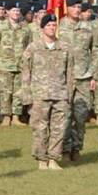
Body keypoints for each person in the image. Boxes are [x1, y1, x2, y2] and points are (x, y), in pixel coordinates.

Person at [20, 13, 74, 169]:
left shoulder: (64, 47)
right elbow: (26, 73)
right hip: (39, 94)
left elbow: (70, 73)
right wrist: (27, 97)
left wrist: (69, 95)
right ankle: (41, 159)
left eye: (54, 25)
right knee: (40, 128)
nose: (52, 28)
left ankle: (54, 158)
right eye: (49, 25)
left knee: (59, 128)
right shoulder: (33, 47)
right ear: (42, 28)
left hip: (60, 94)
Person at [59, 4, 98, 161]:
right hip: (64, 77)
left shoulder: (88, 27)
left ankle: (77, 148)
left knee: (80, 116)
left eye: (79, 7)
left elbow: (96, 51)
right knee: (64, 115)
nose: (77, 10)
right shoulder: (58, 26)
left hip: (83, 77)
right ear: (66, 8)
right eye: (73, 7)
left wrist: (93, 75)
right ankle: (65, 149)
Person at [0, 5, 30, 126]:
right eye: (14, 10)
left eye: (18, 10)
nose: (16, 13)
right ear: (8, 12)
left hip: (20, 65)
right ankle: (6, 116)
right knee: (5, 92)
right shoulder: (0, 27)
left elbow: (28, 47)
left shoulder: (25, 28)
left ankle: (16, 117)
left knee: (18, 92)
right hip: (4, 64)